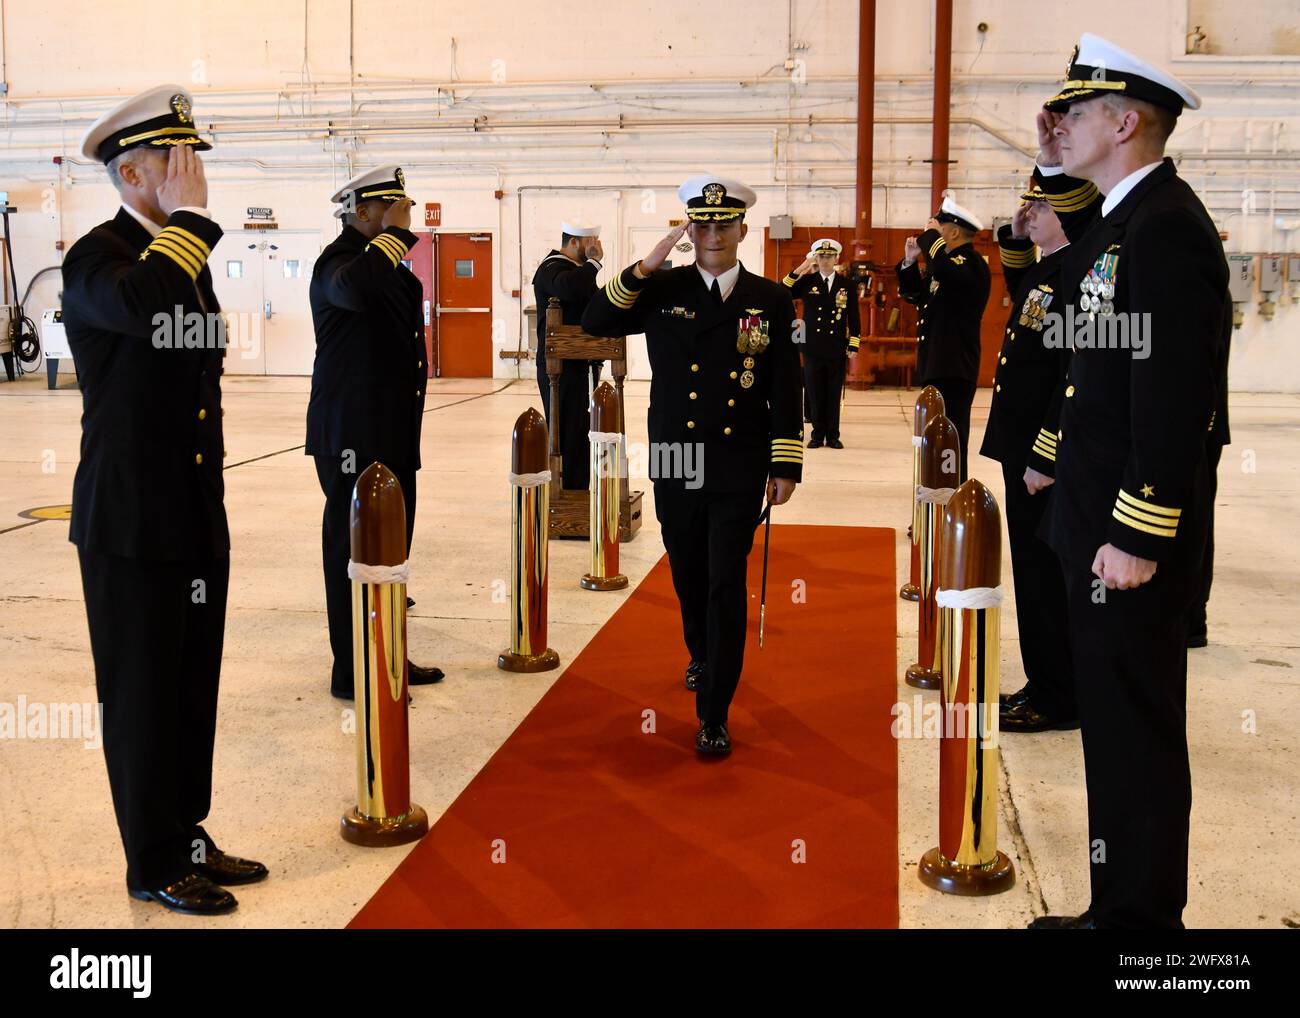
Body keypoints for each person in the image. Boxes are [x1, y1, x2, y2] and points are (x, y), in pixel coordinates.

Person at [1028, 34, 1232, 930]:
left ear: (1123, 120)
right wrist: (1053, 166)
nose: (1057, 126)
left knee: (1136, 737)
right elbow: (1073, 280)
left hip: (1125, 538)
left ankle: (1142, 927)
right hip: (1094, 525)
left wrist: (1139, 535)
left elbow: (1174, 399)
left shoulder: (1170, 229)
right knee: (1113, 735)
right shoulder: (1127, 220)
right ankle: (1121, 912)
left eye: (1072, 115)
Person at [63, 85, 267, 916]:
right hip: (129, 520)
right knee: (143, 694)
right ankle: (150, 860)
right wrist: (192, 223)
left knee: (190, 685)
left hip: (189, 509)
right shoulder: (97, 258)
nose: (192, 175)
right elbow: (141, 309)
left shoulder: (177, 259)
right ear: (132, 174)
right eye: (174, 161)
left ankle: (185, 835)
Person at [582, 175, 803, 756]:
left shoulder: (771, 299)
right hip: (676, 455)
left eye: (723, 224)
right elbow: (595, 321)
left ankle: (714, 712)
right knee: (686, 570)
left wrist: (785, 464)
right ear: (689, 231)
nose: (712, 234)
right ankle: (700, 653)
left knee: (725, 579)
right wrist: (644, 265)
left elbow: (786, 385)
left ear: (742, 230)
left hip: (737, 459)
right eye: (701, 224)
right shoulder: (662, 288)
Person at [307, 165, 443, 699]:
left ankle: (387, 656)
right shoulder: (336, 265)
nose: (404, 214)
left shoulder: (394, 273)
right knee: (353, 554)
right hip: (350, 438)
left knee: (389, 554)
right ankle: (353, 672)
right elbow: (355, 290)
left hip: (392, 436)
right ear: (362, 212)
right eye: (392, 207)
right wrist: (394, 235)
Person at [981, 173, 1091, 734]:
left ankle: (1058, 694)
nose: (1027, 210)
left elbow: (1078, 372)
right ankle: (1043, 680)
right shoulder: (1053, 267)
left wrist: (1046, 453)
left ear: (1068, 210)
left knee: (1045, 575)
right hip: (1020, 448)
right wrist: (1016, 232)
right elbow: (1022, 278)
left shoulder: (1081, 273)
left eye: (1037, 203)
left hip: (1039, 459)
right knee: (1031, 571)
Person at [896, 197, 990, 479]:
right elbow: (916, 295)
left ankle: (952, 502)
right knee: (933, 440)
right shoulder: (946, 266)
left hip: (954, 367)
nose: (933, 230)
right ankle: (934, 503)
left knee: (951, 441)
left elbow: (946, 271)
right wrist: (911, 262)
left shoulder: (970, 264)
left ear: (953, 232)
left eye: (940, 226)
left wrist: (929, 238)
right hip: (936, 365)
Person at [532, 220, 605, 489]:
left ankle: (578, 489)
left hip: (579, 363)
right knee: (566, 432)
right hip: (559, 367)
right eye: (592, 242)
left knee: (579, 431)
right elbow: (571, 288)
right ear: (574, 243)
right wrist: (594, 264)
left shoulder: (577, 272)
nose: (597, 247)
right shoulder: (552, 268)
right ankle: (564, 491)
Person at [783, 238, 861, 449]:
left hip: (836, 346)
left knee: (833, 392)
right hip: (813, 347)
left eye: (829, 256)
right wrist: (802, 267)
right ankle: (817, 435)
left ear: (837, 258)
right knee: (815, 392)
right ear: (816, 258)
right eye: (821, 256)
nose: (825, 260)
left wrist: (853, 344)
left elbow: (853, 316)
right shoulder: (808, 282)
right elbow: (783, 290)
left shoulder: (847, 285)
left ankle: (833, 435)